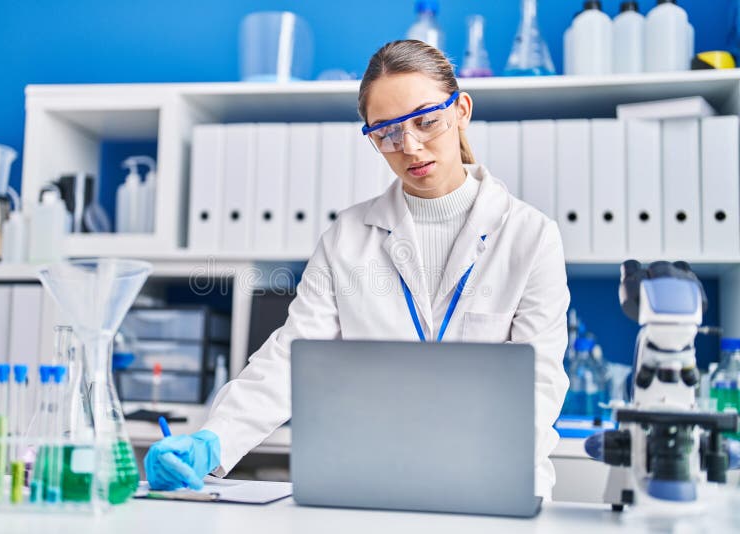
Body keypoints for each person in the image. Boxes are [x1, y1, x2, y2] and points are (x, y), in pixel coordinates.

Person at [144, 40, 570, 500]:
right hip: (377, 484)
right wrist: (213, 440)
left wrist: (471, 464)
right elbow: (291, 357)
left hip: (495, 484)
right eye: (387, 132)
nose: (410, 146)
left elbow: (538, 384)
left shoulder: (530, 236)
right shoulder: (347, 237)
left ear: (461, 110)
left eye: (426, 121)